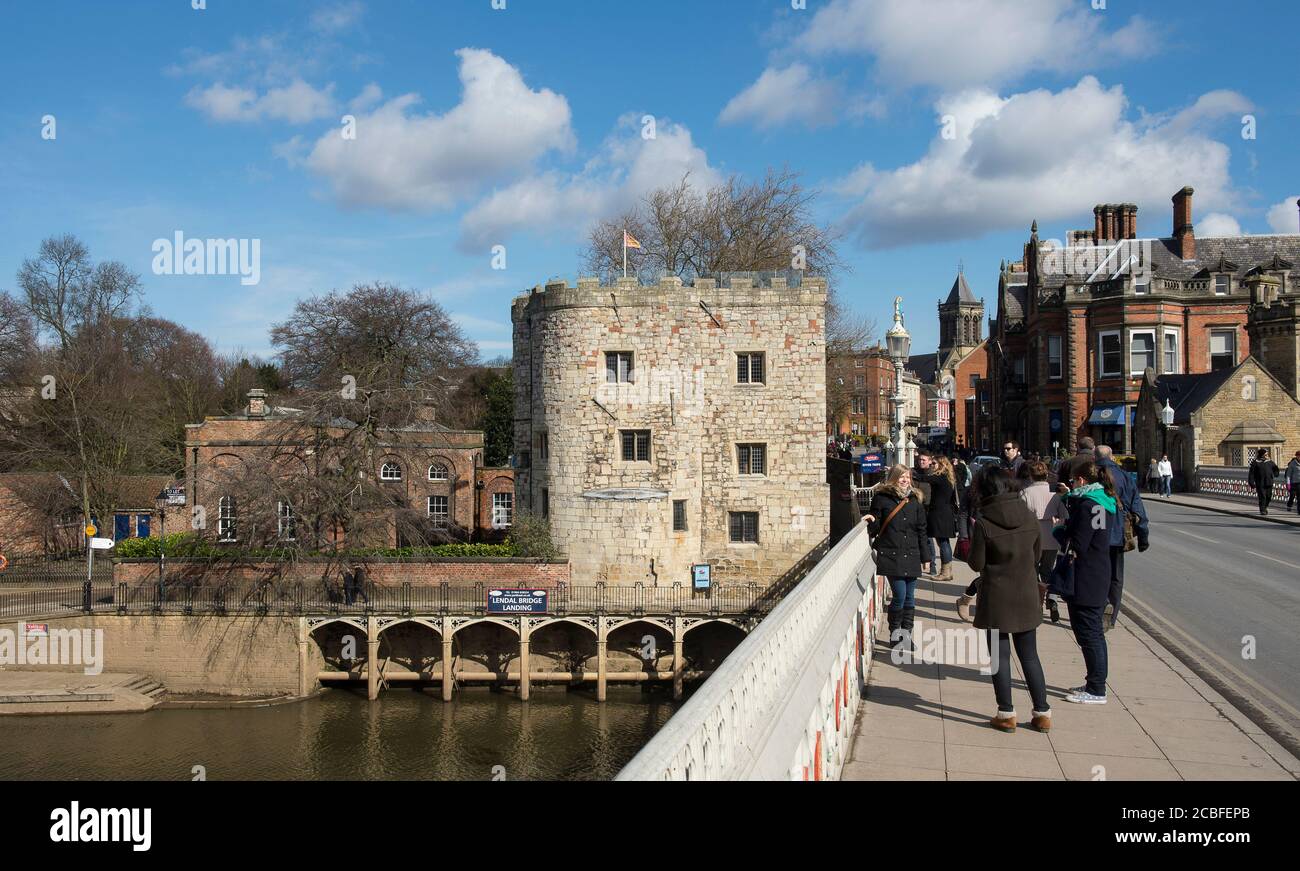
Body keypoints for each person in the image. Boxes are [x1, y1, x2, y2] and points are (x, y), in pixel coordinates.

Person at [968, 467, 1051, 732]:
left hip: (996, 598)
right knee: (1030, 656)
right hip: (1026, 594)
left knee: (999, 658)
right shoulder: (1028, 517)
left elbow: (976, 563)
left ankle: (1006, 714)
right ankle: (1042, 713)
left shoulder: (983, 523)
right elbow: (1036, 555)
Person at [1059, 461, 1117, 704]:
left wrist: (1059, 530)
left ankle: (1096, 689)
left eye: (1074, 481)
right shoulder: (1103, 503)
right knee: (1093, 633)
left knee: (1089, 634)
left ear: (1082, 480)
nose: (1072, 485)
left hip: (1086, 575)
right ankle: (1095, 682)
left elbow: (1079, 543)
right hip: (1098, 571)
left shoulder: (1087, 506)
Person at [864, 465, 933, 650]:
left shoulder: (915, 500)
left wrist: (926, 557)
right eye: (901, 477)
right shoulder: (882, 498)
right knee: (899, 596)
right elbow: (876, 526)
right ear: (893, 478)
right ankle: (895, 635)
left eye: (908, 477)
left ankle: (907, 636)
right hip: (891, 553)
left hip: (911, 553)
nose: (905, 480)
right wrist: (871, 519)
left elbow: (921, 530)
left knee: (910, 598)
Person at [1095, 444, 1150, 629]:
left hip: (1095, 533)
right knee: (1116, 577)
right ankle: (1111, 618)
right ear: (1112, 457)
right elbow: (1138, 510)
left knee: (1097, 572)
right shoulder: (1125, 477)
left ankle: (1102, 604)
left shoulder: (1092, 475)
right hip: (1118, 533)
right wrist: (1143, 537)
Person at [1020, 460, 1066, 623]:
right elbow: (1064, 515)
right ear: (1046, 475)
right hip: (1051, 535)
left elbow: (1020, 517)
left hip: (1032, 536)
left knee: (1032, 570)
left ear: (1031, 476)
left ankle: (1036, 603)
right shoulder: (1055, 493)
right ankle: (1051, 599)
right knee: (1047, 570)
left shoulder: (1025, 492)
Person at [917, 455, 959, 581]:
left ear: (941, 465)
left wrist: (906, 472)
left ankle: (945, 573)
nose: (931, 465)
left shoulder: (940, 478)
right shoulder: (948, 478)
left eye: (934, 463)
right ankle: (947, 571)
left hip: (939, 513)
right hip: (946, 513)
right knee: (944, 542)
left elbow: (922, 478)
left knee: (943, 543)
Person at [1248, 448, 1280, 516]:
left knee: (1269, 496)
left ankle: (1265, 507)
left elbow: (1275, 469)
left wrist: (1276, 473)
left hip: (1269, 482)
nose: (1267, 456)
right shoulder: (1255, 462)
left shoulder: (1270, 462)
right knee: (1262, 496)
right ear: (1261, 455)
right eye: (1265, 454)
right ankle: (1262, 510)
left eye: (1267, 454)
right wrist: (1251, 482)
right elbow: (1252, 473)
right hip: (1260, 483)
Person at [1286, 450, 1300, 515]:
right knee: (1292, 496)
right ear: (1296, 456)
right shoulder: (1292, 463)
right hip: (1294, 483)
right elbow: (1288, 474)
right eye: (1299, 456)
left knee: (1299, 497)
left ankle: (1299, 510)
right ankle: (1289, 505)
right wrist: (1288, 483)